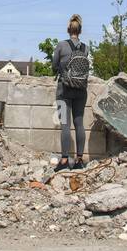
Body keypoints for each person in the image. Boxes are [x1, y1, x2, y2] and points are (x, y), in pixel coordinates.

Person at [52, 14, 91, 171]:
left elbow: (54, 66)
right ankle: (80, 160)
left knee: (65, 125)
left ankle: (64, 162)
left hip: (63, 90)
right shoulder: (86, 48)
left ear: (68, 30)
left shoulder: (61, 45)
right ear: (80, 31)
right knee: (79, 124)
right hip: (81, 91)